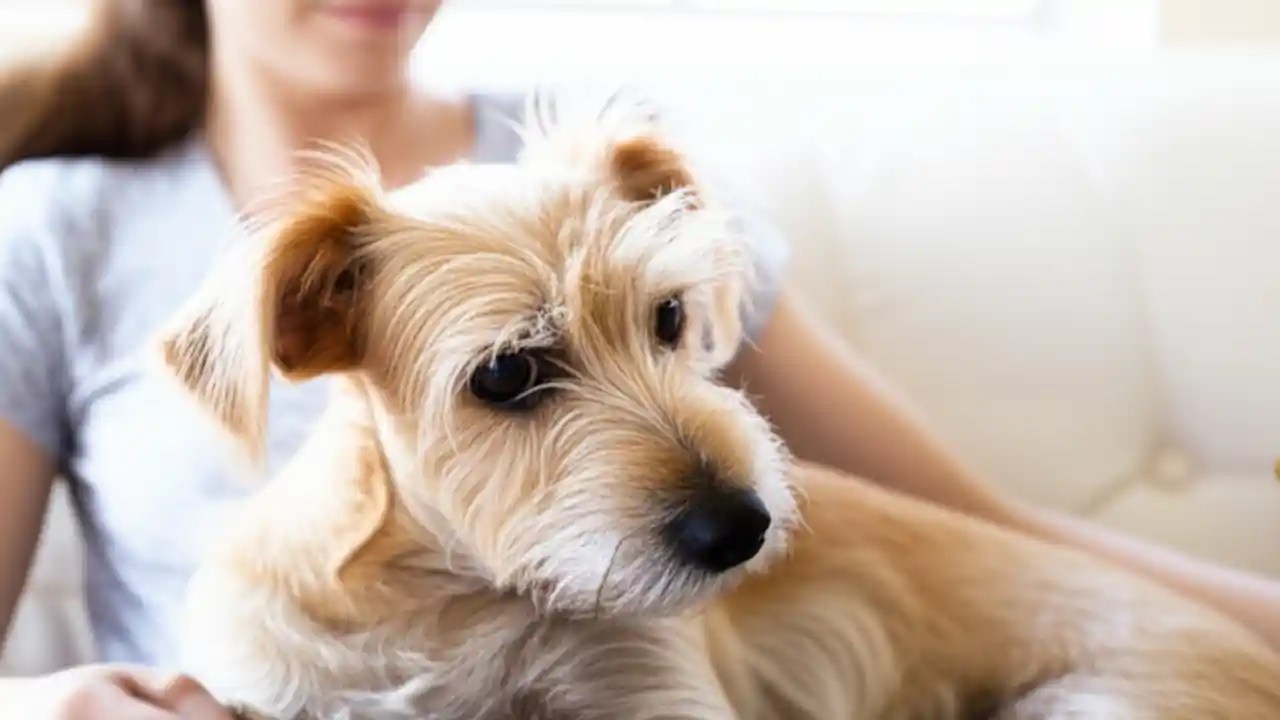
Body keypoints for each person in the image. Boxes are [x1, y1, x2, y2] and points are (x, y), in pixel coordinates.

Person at [1, 1, 1278, 718]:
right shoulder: (57, 230)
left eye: (668, 328)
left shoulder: (604, 163)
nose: (680, 452)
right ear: (304, 336)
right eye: (513, 378)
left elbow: (981, 525)